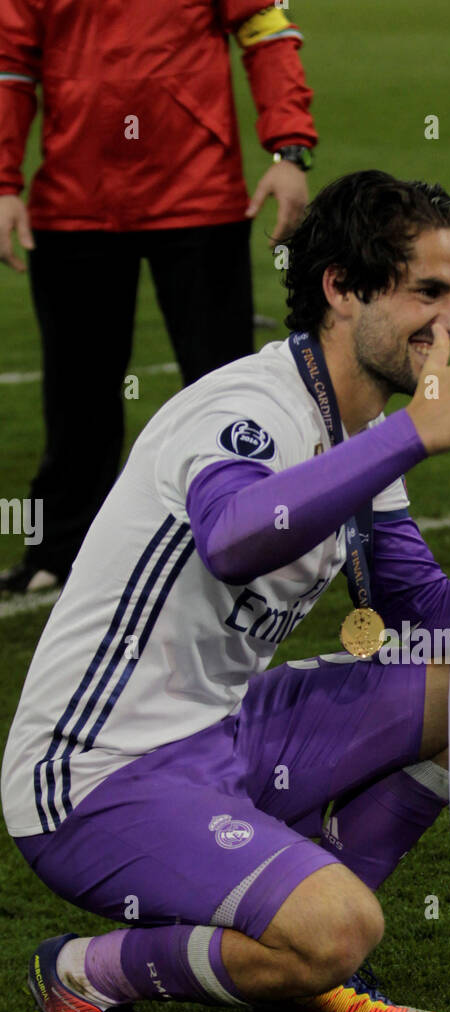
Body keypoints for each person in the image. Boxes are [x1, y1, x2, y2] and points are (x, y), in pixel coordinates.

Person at [1, 171, 450, 1012]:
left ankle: (301, 969)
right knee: (340, 926)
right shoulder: (253, 408)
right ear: (343, 287)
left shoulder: (359, 424)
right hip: (98, 772)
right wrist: (413, 437)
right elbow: (232, 539)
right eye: (429, 292)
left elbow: (420, 606)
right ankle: (86, 976)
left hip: (221, 731)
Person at [0, 0, 317, 596]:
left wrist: (290, 148)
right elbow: (9, 62)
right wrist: (2, 180)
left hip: (198, 195)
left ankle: (249, 541)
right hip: (74, 203)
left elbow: (268, 30)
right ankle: (59, 548)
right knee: (75, 393)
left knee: (224, 390)